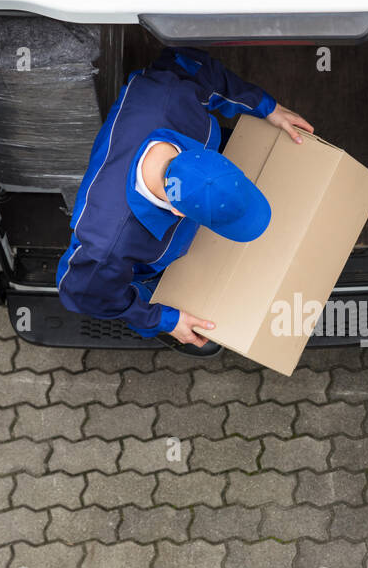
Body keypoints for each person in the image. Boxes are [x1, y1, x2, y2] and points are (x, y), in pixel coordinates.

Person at [57, 47, 312, 353]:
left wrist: (266, 107)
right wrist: (163, 320)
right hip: (146, 267)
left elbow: (201, 69)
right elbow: (81, 294)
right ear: (179, 213)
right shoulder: (107, 247)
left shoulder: (169, 94)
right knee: (204, 334)